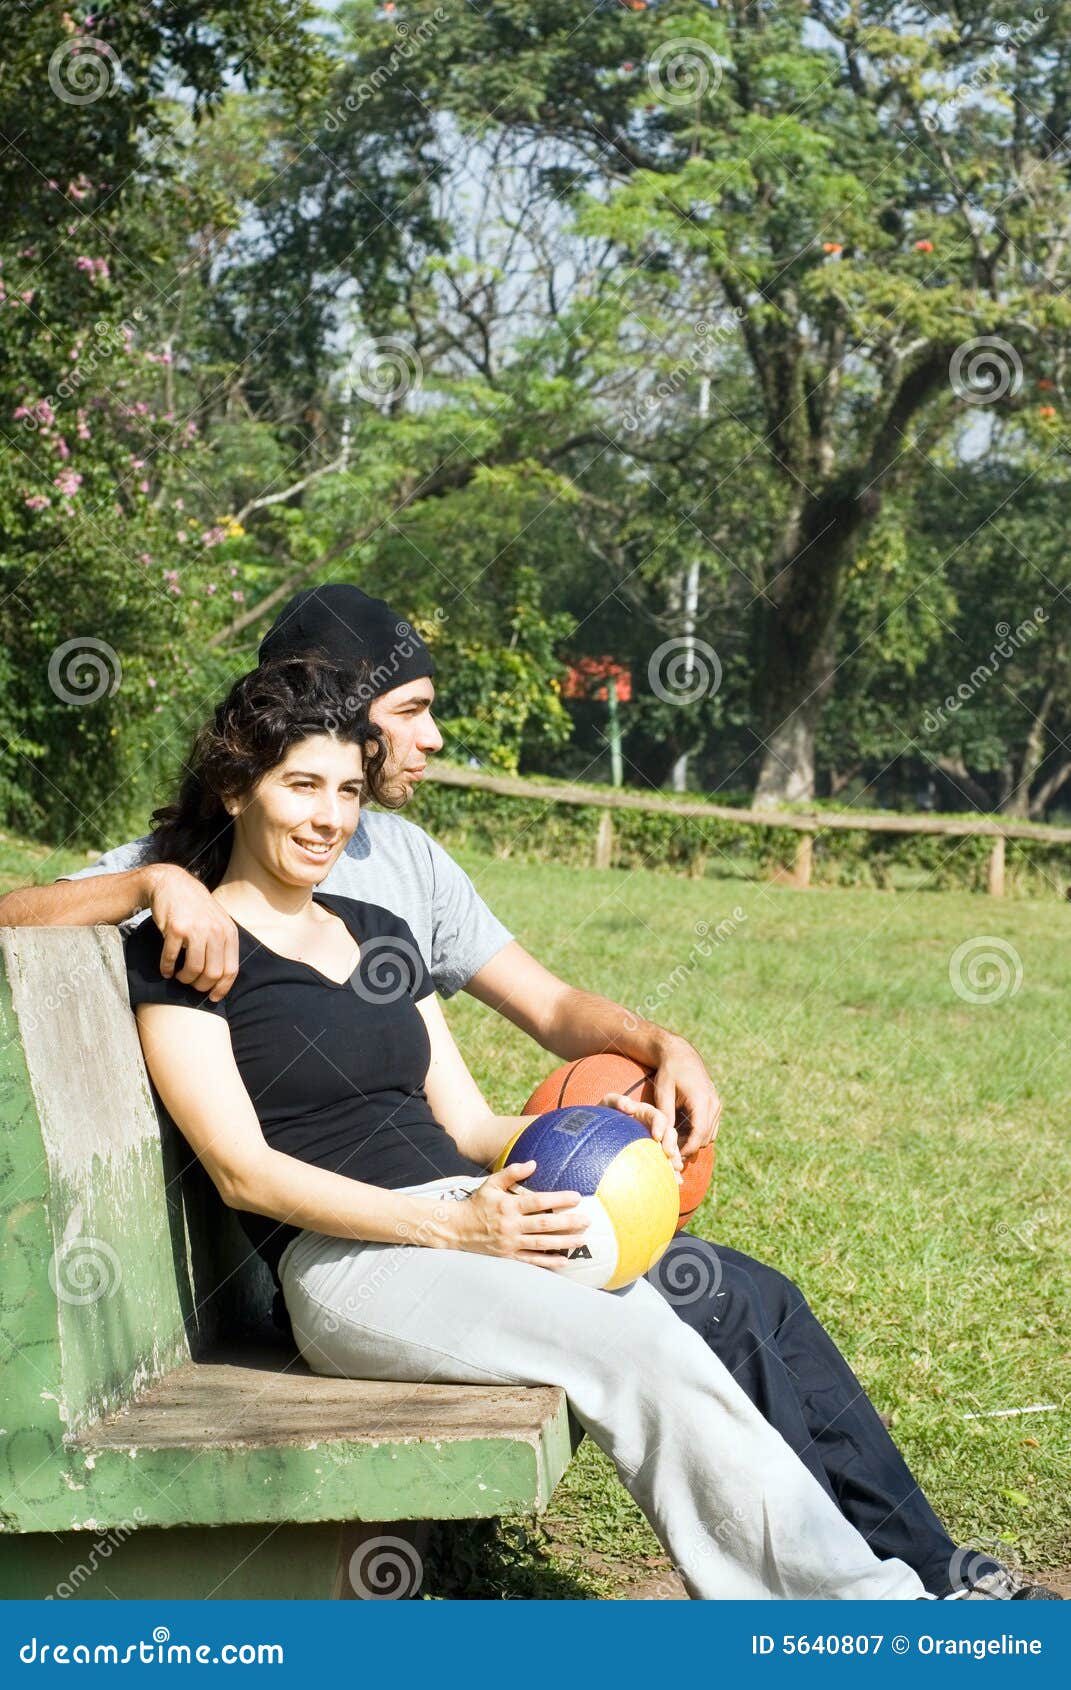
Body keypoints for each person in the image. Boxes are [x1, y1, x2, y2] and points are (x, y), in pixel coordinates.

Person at [0, 586, 1055, 1600]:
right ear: (237, 788)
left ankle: (879, 1592)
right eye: (300, 787)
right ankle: (866, 1621)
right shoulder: (188, 948)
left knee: (685, 1313)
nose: (328, 818)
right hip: (355, 1261)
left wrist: (608, 1132)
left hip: (469, 1217)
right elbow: (244, 1170)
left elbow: (468, 1123)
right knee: (636, 1345)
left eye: (346, 791)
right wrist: (454, 1230)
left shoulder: (379, 934)